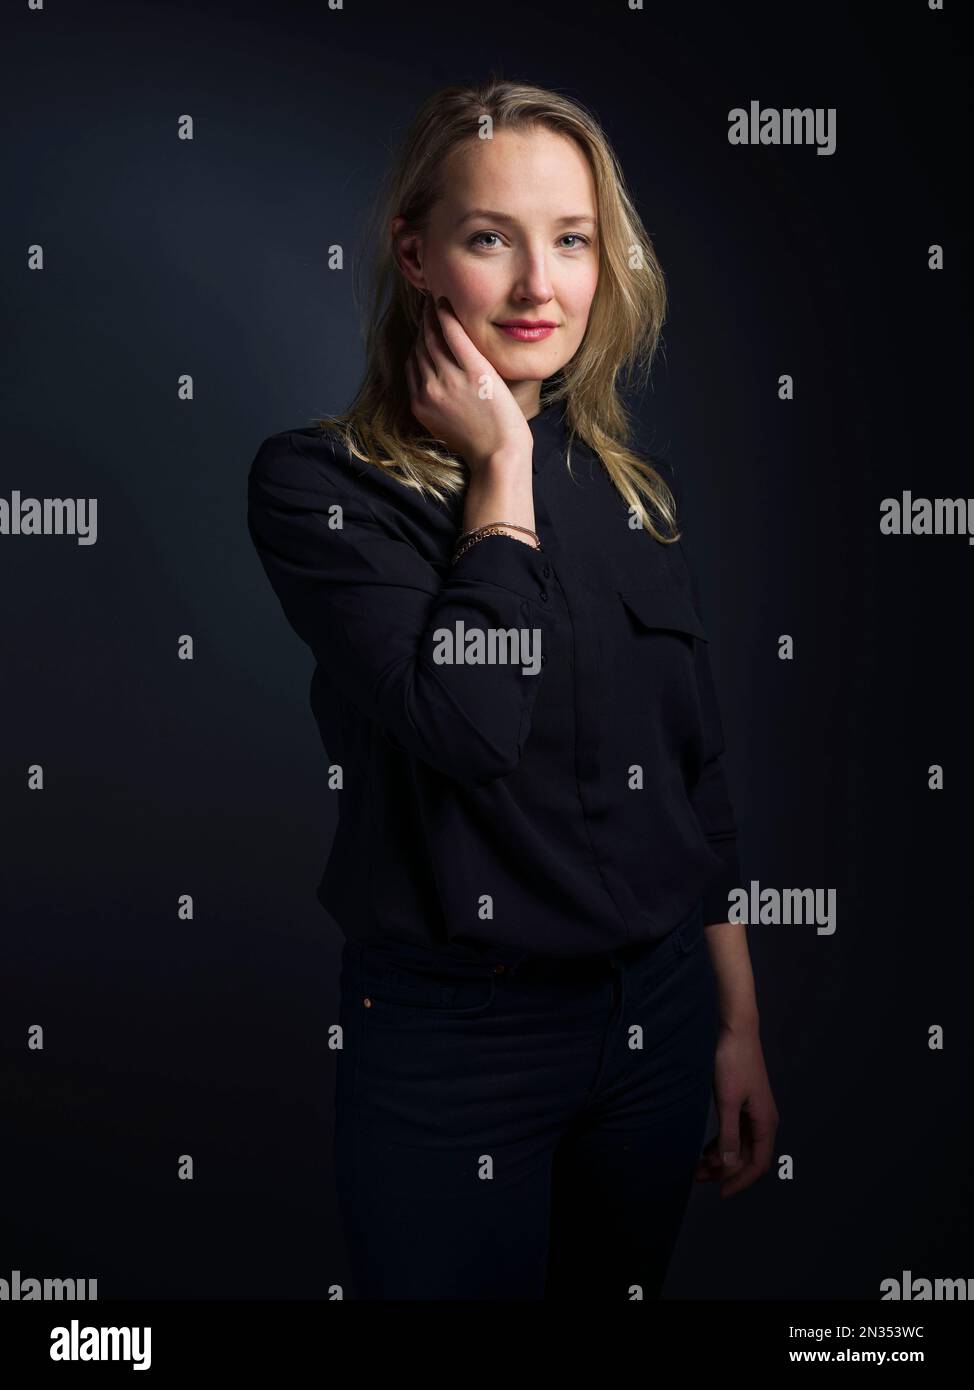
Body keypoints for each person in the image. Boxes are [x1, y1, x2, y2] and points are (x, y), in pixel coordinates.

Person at [247, 75, 779, 1301]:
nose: (541, 286)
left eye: (573, 241)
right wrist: (497, 466)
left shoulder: (627, 490)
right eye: (492, 238)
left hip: (651, 1018)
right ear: (417, 253)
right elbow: (471, 726)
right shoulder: (321, 487)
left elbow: (693, 787)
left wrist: (734, 1023)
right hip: (455, 1040)